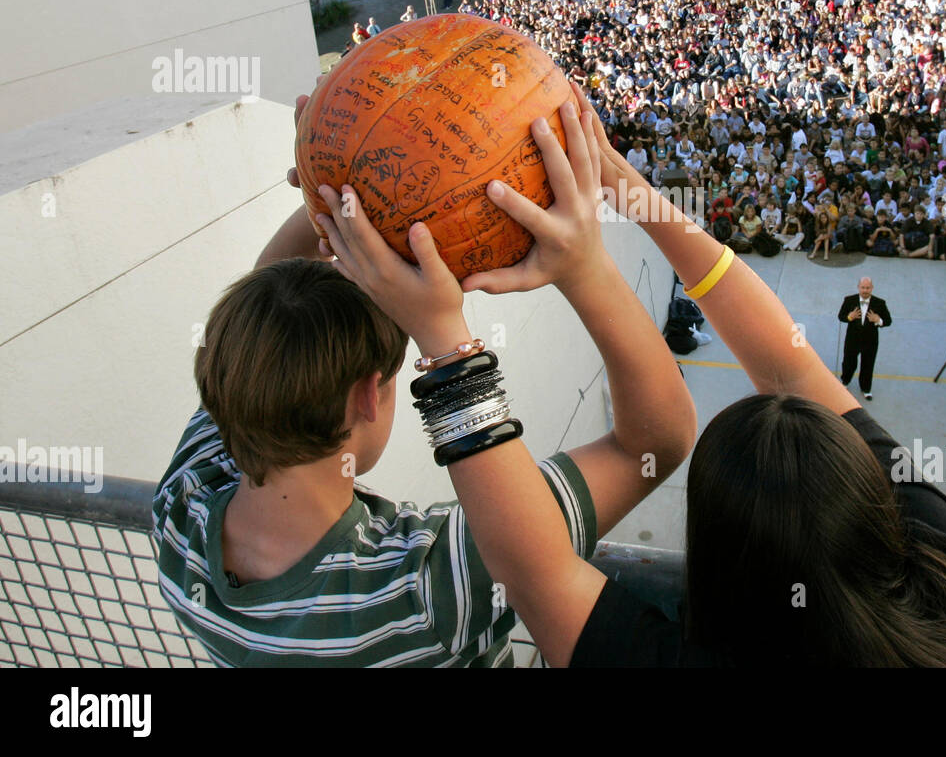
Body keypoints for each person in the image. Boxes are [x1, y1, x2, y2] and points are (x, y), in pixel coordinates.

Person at [319, 85, 946, 667]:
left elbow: (531, 568)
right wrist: (447, 334)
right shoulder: (944, 586)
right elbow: (531, 567)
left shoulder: (945, 568)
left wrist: (604, 224)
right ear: (875, 503)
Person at [153, 97, 694, 667]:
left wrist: (332, 204)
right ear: (369, 396)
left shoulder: (181, 514)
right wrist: (581, 269)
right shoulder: (431, 590)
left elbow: (257, 337)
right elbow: (653, 443)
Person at [837, 276, 891, 402]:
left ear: (872, 288)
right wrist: (849, 317)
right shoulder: (849, 300)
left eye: (867, 288)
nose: (865, 290)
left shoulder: (880, 303)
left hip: (870, 340)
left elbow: (888, 321)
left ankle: (866, 389)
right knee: (848, 361)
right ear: (858, 287)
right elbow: (841, 316)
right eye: (863, 287)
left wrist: (879, 320)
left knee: (868, 364)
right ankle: (845, 381)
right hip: (852, 339)